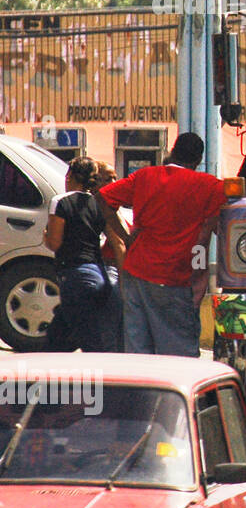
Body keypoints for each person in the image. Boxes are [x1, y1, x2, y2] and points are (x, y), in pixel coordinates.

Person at [97, 133, 226, 357]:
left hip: (136, 271)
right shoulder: (210, 187)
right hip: (176, 275)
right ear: (198, 160)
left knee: (137, 345)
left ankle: (141, 390)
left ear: (172, 152)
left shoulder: (144, 176)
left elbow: (103, 199)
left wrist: (125, 236)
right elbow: (221, 228)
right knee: (179, 351)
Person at [42, 156, 112, 352]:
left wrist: (45, 235)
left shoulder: (60, 202)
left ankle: (106, 380)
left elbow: (55, 243)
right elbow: (114, 239)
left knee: (91, 343)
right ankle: (45, 377)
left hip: (74, 277)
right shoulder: (99, 203)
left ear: (69, 176)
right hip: (99, 275)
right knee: (56, 337)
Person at [91, 162, 127, 353]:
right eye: (107, 179)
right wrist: (123, 281)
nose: (113, 182)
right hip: (111, 271)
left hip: (109, 270)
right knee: (112, 328)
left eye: (114, 177)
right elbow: (119, 245)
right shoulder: (102, 206)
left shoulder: (114, 206)